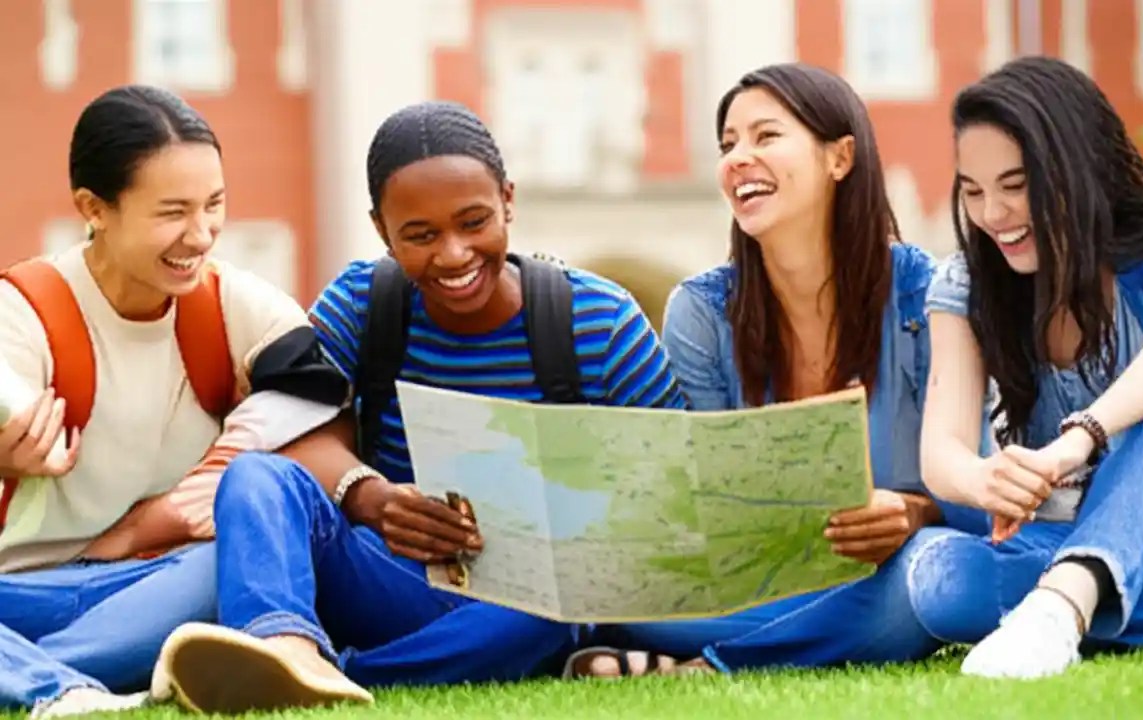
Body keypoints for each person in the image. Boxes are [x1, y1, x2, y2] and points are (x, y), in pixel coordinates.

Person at [149, 99, 689, 714]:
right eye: (421, 235)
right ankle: (281, 641)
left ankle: (333, 674)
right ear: (383, 230)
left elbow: (673, 482)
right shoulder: (363, 301)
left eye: (474, 221)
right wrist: (368, 495)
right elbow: (291, 434)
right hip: (383, 567)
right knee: (255, 475)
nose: (454, 254)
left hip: (521, 601)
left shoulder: (600, 320)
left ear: (509, 201)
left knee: (557, 610)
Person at [565, 62, 984, 678]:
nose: (738, 158)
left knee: (939, 576)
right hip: (754, 579)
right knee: (601, 584)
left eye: (765, 136)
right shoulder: (702, 312)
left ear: (839, 158)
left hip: (895, 568)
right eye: (727, 144)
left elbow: (976, 504)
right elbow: (700, 506)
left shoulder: (929, 294)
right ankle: (777, 639)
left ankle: (703, 666)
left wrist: (912, 512)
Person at [916, 55, 1143, 680]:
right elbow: (942, 452)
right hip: (1095, 531)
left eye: (1015, 183)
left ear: (1073, 165)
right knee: (937, 575)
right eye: (973, 191)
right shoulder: (970, 284)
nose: (992, 214)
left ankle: (1060, 610)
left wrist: (1076, 441)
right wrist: (985, 482)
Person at [0, 86, 345, 718]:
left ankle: (30, 666)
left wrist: (194, 488)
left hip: (152, 581)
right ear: (94, 208)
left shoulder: (230, 305)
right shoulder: (24, 311)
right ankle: (59, 682)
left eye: (214, 205)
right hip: (19, 588)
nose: (201, 234)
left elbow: (318, 395)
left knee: (242, 562)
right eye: (172, 213)